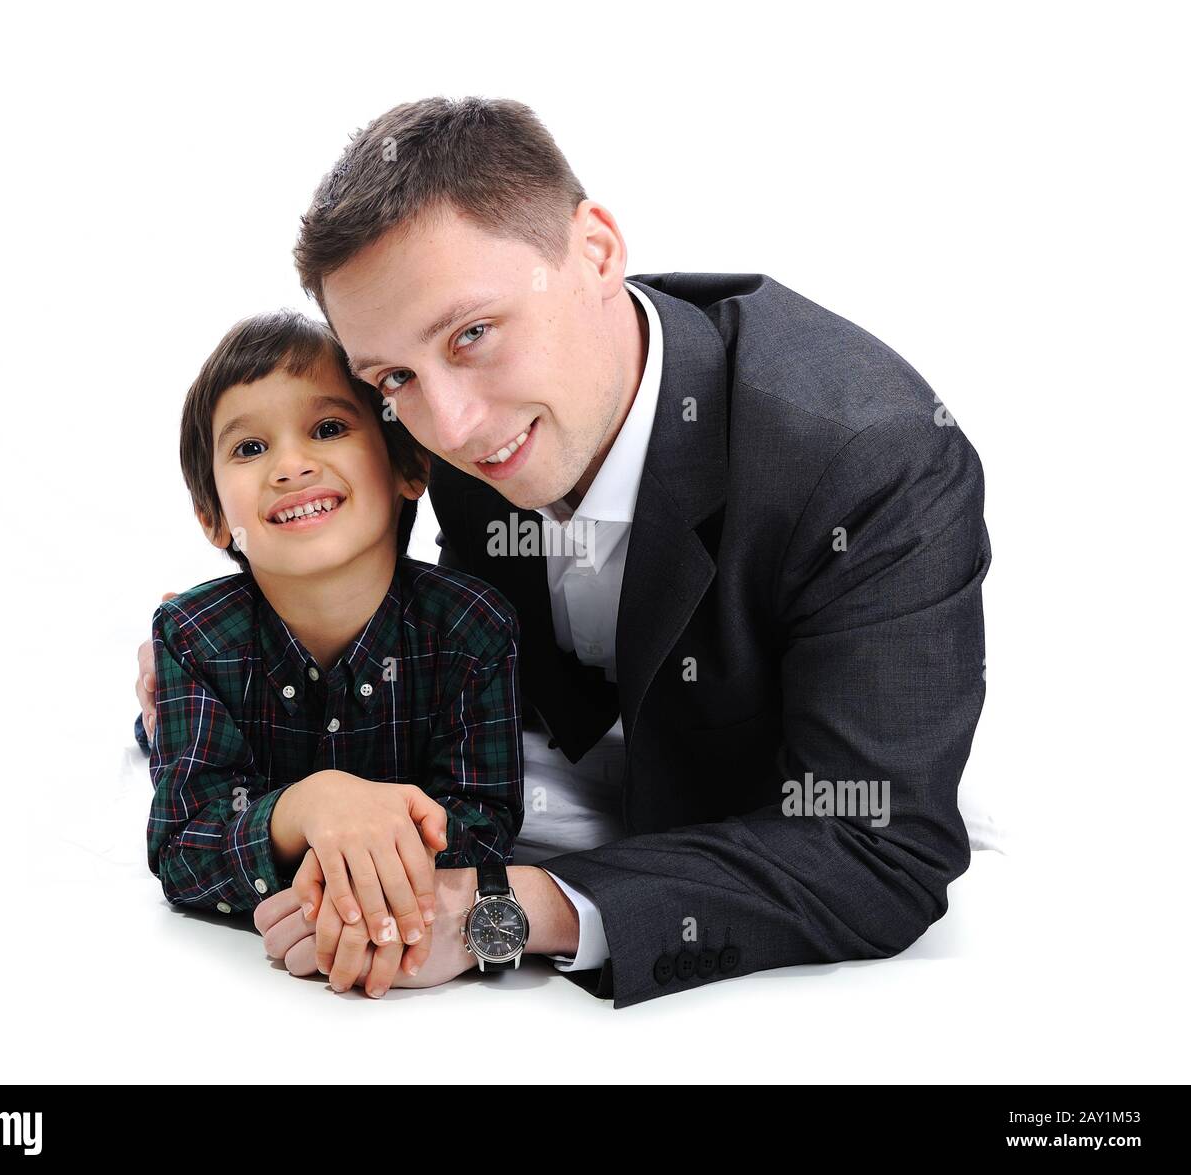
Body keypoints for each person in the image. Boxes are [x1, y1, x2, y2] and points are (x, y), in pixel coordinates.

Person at [136, 97, 992, 1009]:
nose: (452, 426)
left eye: (473, 334)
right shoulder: (451, 425)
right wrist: (221, 662)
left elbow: (881, 843)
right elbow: (407, 629)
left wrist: (498, 911)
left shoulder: (868, 459)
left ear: (596, 250)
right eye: (393, 378)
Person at [140, 308, 525, 999]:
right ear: (212, 515)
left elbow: (486, 824)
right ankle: (151, 721)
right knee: (156, 726)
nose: (291, 465)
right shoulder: (193, 636)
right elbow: (180, 850)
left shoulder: (473, 628)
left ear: (407, 463)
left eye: (328, 428)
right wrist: (309, 804)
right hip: (213, 711)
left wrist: (350, 863)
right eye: (250, 448)